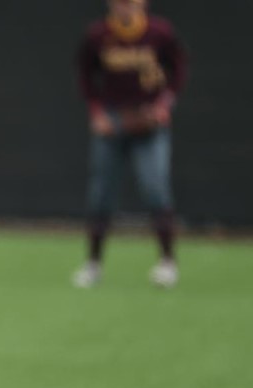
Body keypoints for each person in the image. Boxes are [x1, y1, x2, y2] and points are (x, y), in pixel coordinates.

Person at [73, 0, 188, 288]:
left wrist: (164, 105)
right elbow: (86, 77)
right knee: (101, 193)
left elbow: (179, 70)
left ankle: (167, 262)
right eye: (120, 2)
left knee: (155, 187)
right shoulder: (98, 35)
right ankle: (93, 264)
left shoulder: (159, 33)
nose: (125, 7)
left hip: (149, 122)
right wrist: (97, 112)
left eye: (130, 2)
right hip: (113, 122)